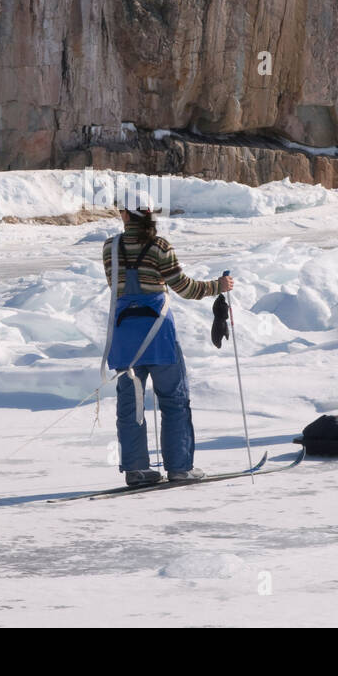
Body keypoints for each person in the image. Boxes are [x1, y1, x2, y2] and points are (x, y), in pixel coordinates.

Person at [101, 195, 233, 485]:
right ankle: (180, 467)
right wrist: (217, 286)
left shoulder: (110, 248)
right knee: (174, 402)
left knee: (130, 405)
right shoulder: (160, 247)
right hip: (158, 334)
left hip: (125, 339)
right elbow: (184, 288)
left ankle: (136, 470)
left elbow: (117, 287)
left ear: (126, 215)